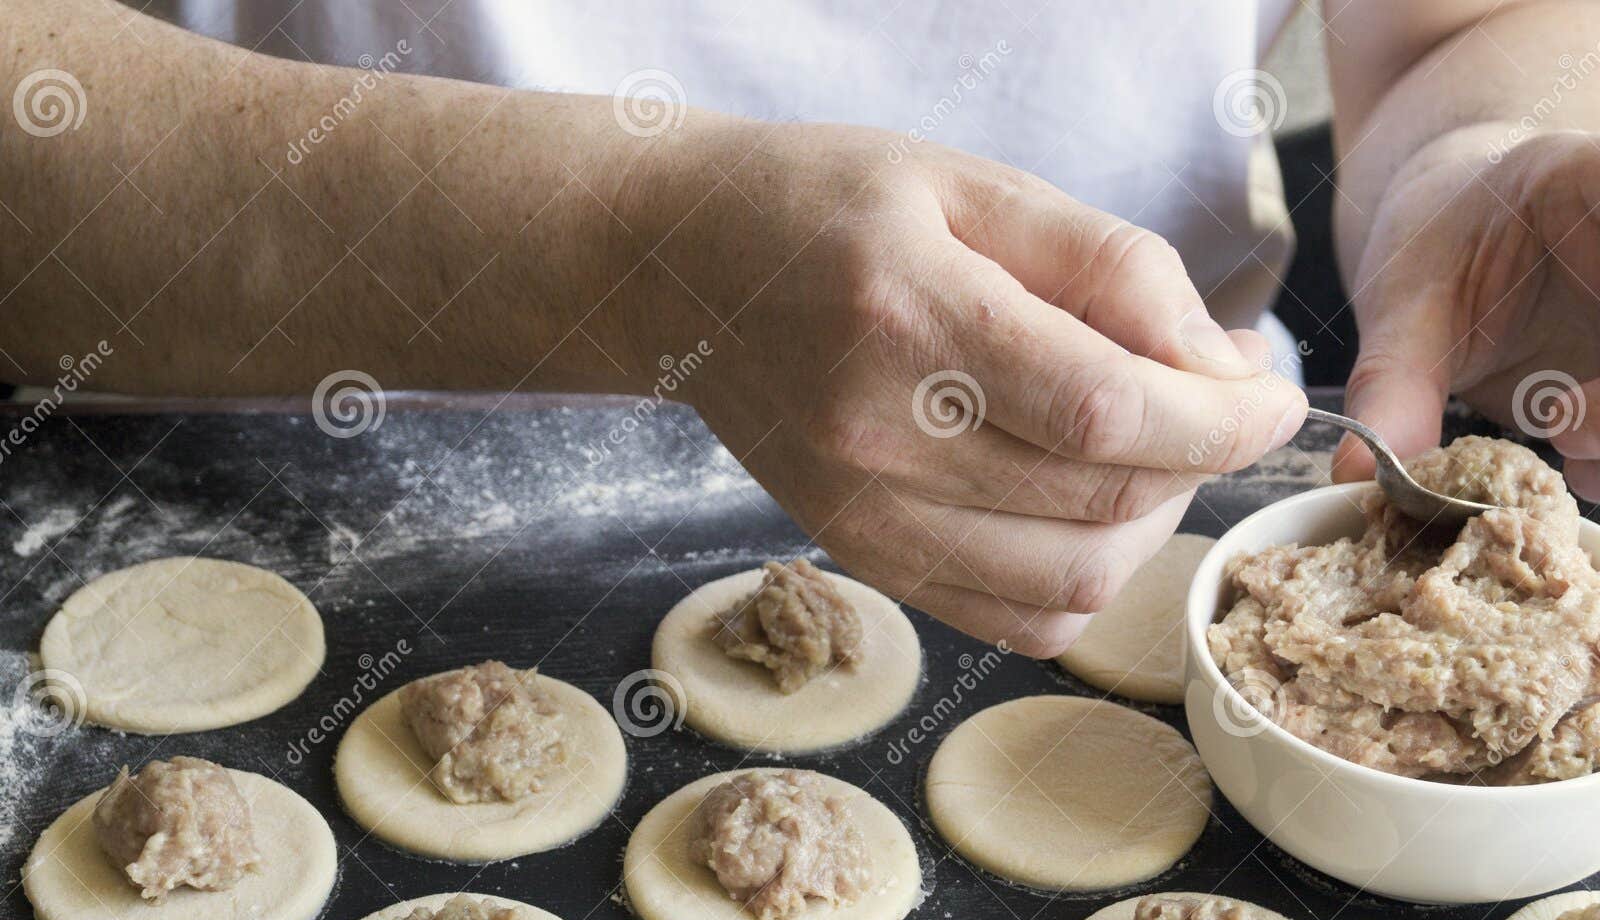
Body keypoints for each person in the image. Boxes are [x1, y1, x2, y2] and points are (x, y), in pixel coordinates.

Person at [3, 1, 1597, 657]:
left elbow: (1474, 23)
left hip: (1145, 559)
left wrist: (1486, 160)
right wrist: (636, 259)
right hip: (270, 554)